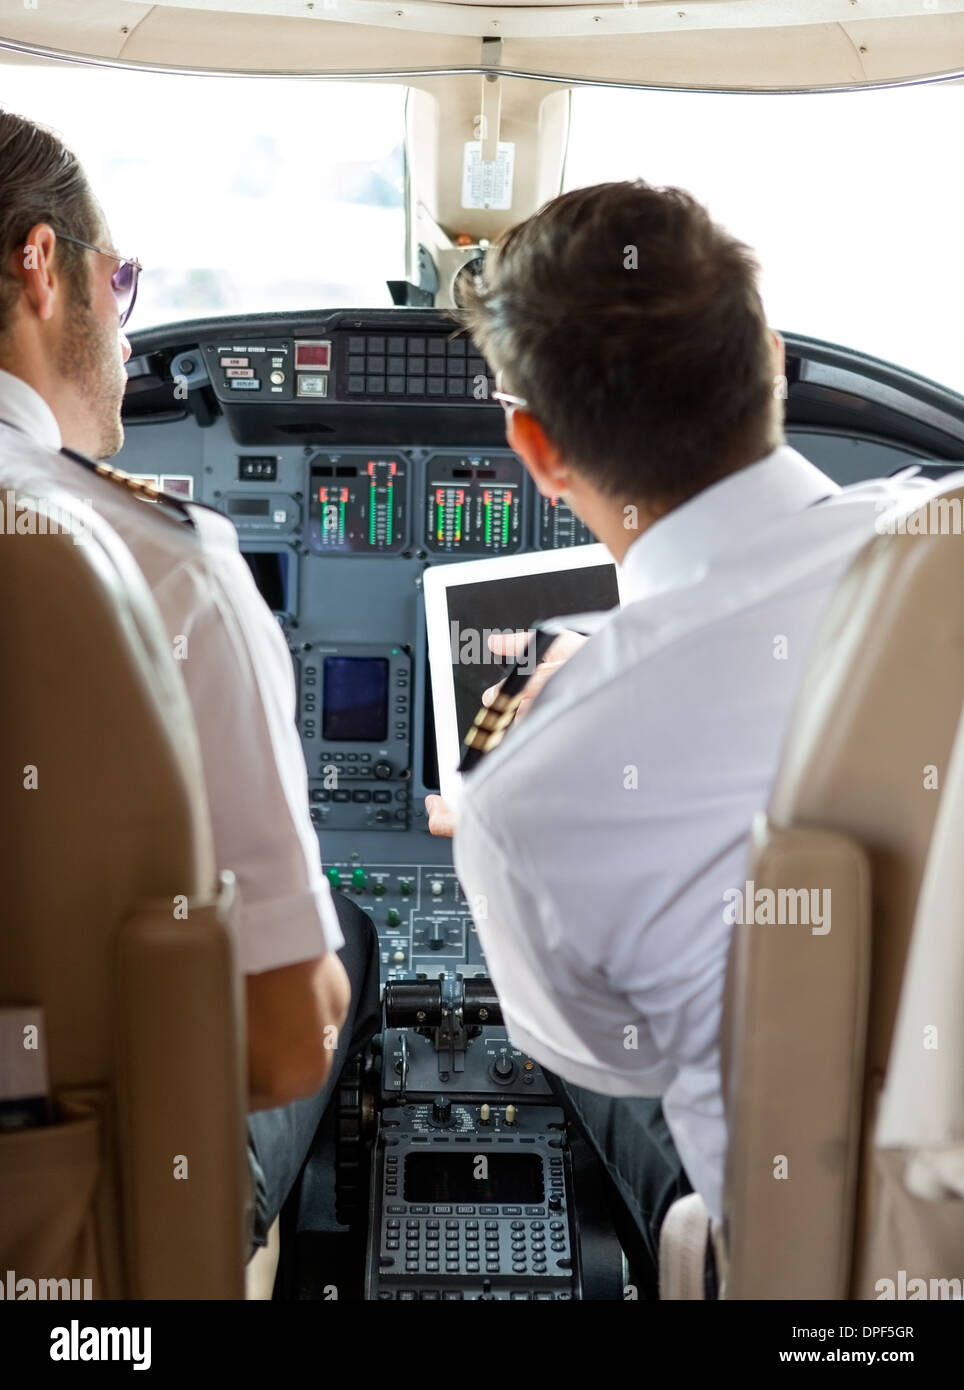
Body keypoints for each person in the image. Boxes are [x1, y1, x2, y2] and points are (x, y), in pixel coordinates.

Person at [426, 179, 948, 1297]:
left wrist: (496, 822)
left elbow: (602, 1055)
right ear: (767, 353)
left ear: (535, 447)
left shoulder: (534, 784)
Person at [0, 108, 380, 1260]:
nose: (125, 334)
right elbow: (279, 1047)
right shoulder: (163, 569)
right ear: (41, 265)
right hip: (76, 1241)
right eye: (120, 288)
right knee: (342, 947)